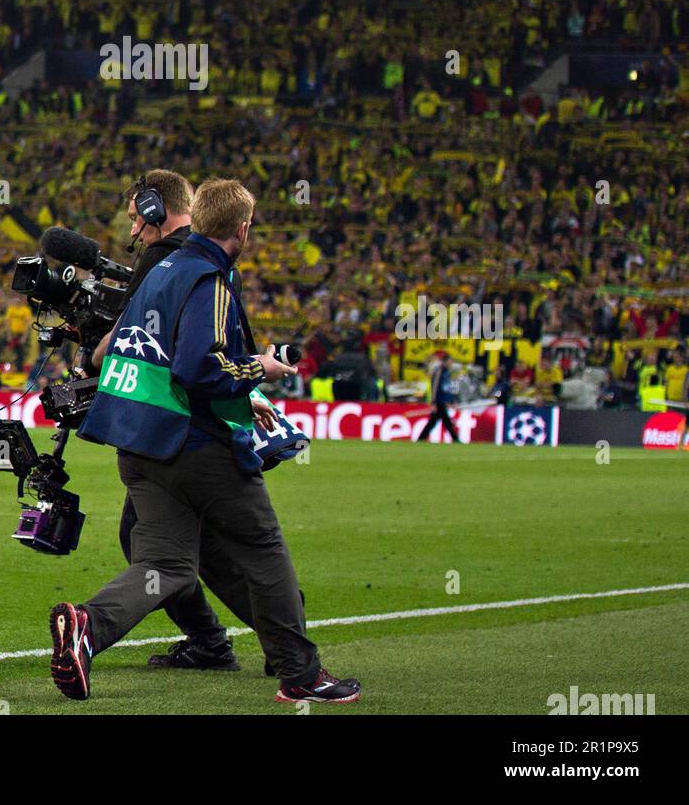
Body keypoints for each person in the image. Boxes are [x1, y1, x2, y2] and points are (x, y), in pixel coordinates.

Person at [49, 178, 361, 706]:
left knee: (166, 566)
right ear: (242, 228)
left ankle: (88, 627)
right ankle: (300, 673)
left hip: (139, 444)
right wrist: (259, 369)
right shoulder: (208, 279)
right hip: (192, 441)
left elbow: (124, 348)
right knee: (263, 551)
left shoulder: (158, 270)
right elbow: (200, 367)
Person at [86, 170, 279, 674]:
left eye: (135, 218)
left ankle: (241, 641)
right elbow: (216, 345)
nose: (133, 232)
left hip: (175, 433)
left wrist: (89, 357)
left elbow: (147, 349)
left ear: (155, 209)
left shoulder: (170, 261)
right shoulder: (211, 263)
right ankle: (262, 643)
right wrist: (252, 385)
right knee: (204, 549)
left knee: (190, 551)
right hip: (189, 429)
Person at [416, 353, 461, 443]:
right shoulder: (439, 371)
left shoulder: (447, 372)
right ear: (445, 361)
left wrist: (450, 401)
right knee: (446, 423)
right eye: (450, 361)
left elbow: (446, 388)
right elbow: (435, 387)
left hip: (442, 401)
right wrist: (434, 403)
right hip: (438, 402)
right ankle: (456, 439)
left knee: (434, 422)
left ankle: (421, 439)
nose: (451, 364)